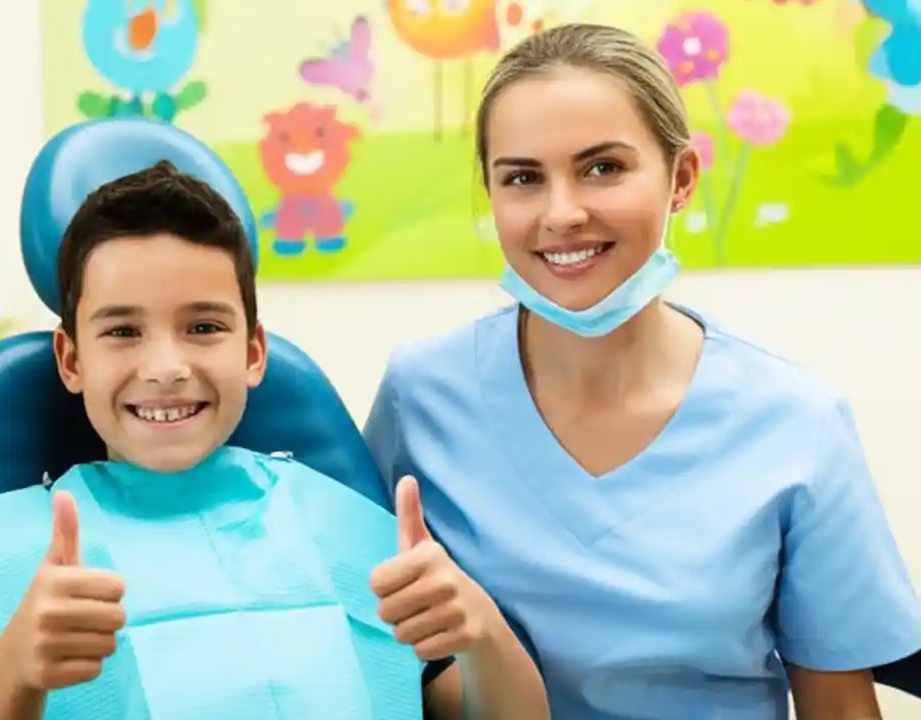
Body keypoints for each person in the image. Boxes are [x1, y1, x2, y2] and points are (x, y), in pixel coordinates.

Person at [363, 22, 921, 720]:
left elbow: (838, 709)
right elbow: (370, 667)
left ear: (680, 179)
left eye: (603, 168)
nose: (562, 213)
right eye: (523, 179)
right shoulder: (421, 398)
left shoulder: (796, 422)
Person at [0, 160, 549, 719]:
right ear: (71, 360)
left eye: (202, 326)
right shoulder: (20, 558)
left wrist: (481, 627)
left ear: (253, 353)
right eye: (122, 332)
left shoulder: (346, 528)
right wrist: (17, 671)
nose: (166, 366)